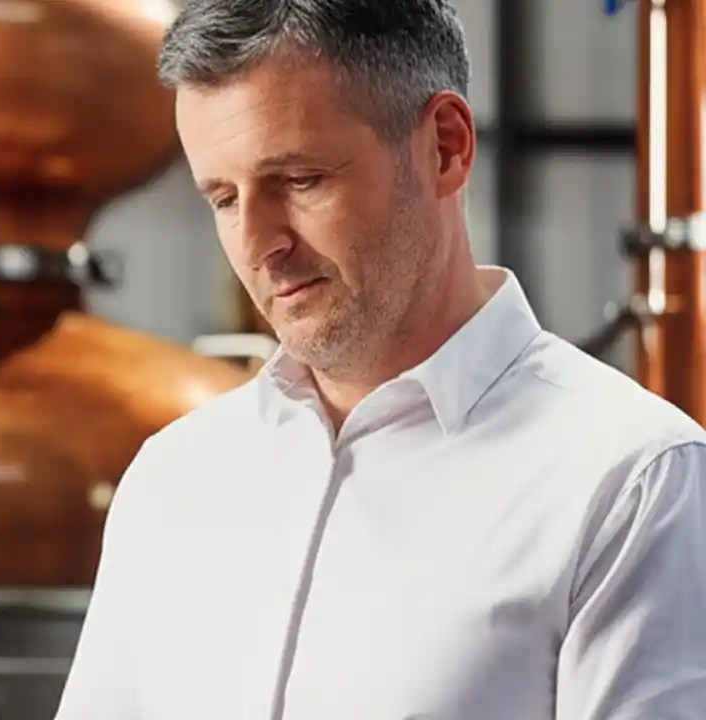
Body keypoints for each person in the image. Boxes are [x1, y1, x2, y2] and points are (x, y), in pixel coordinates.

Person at [54, 1, 706, 718]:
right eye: (223, 198)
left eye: (299, 180)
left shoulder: (631, 483)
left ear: (445, 147)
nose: (258, 245)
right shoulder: (173, 480)